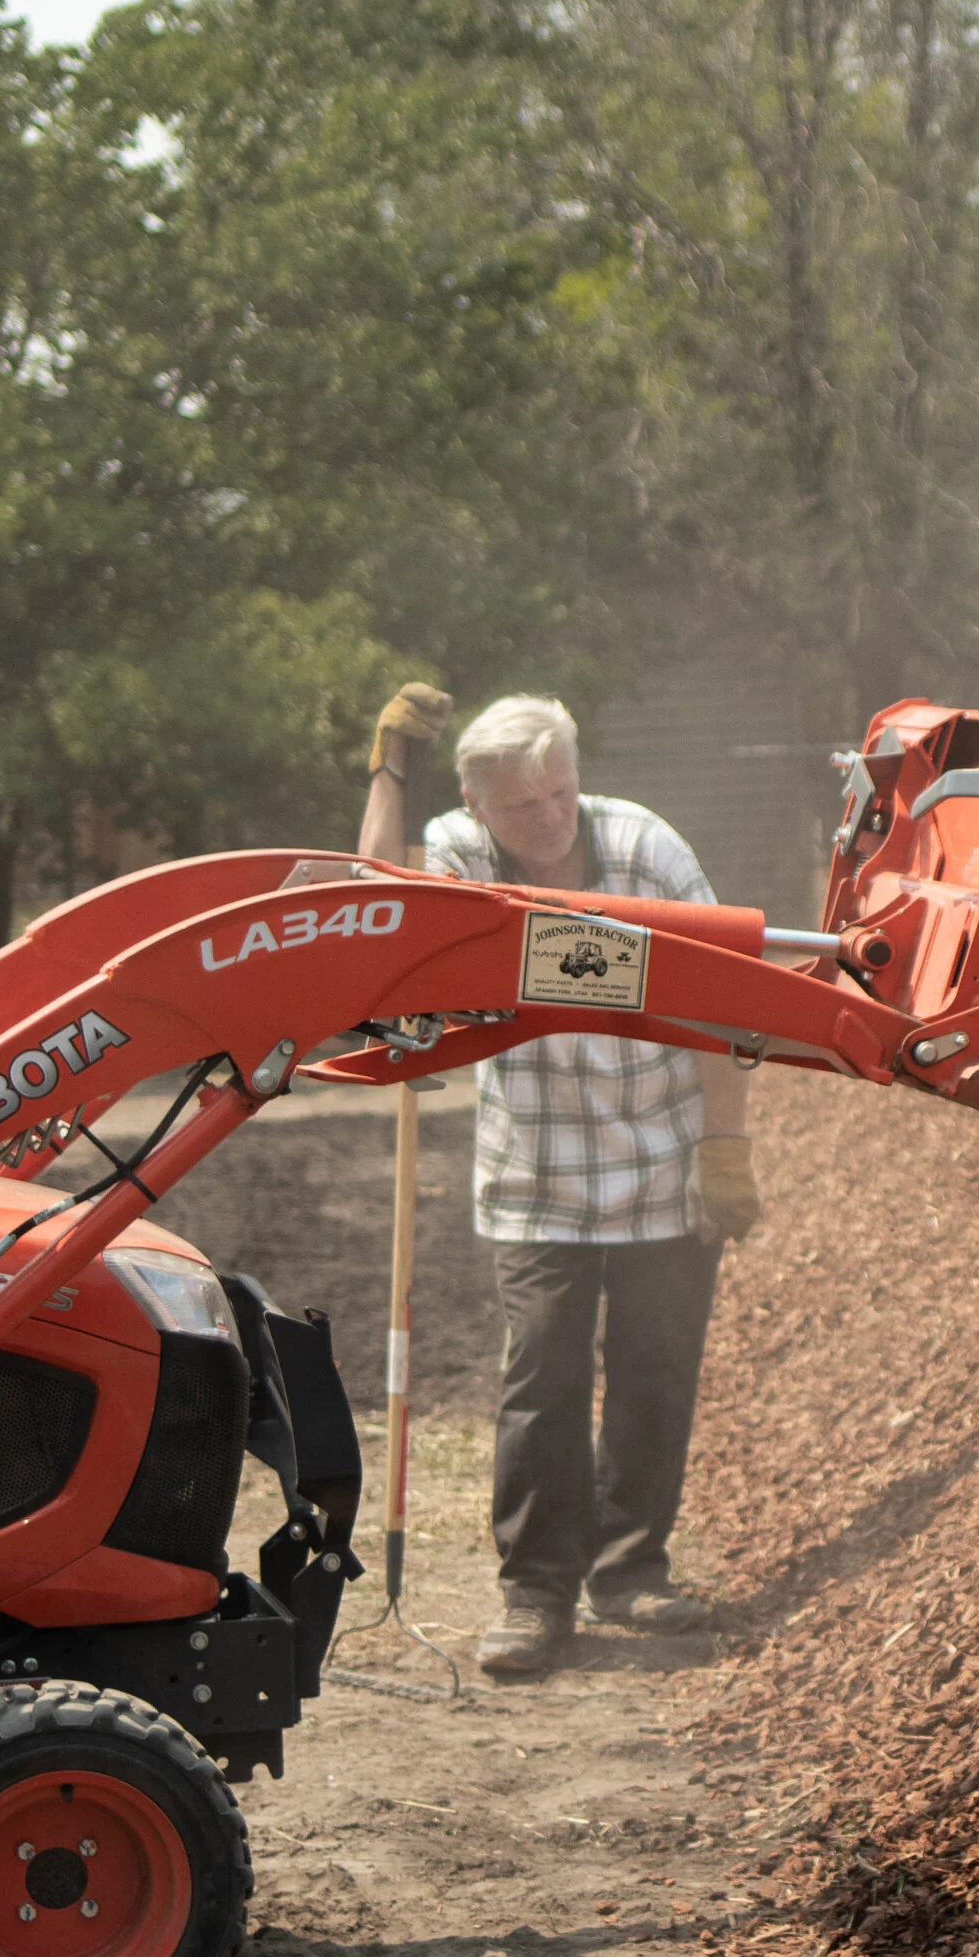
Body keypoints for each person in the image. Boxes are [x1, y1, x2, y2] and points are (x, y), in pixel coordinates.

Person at [359, 685, 762, 1678]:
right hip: (536, 1168)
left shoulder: (645, 850)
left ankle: (632, 1572)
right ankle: (536, 1591)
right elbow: (371, 913)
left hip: (661, 1155)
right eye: (521, 804)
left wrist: (725, 1146)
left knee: (652, 1369)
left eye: (559, 794)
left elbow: (721, 998)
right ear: (477, 801)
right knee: (541, 1375)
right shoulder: (458, 850)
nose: (546, 818)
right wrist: (386, 769)